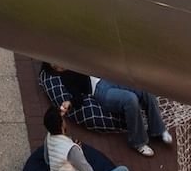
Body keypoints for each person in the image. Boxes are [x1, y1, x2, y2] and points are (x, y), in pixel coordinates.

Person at [37, 63, 172, 157]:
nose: (60, 66)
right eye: (55, 67)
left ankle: (158, 130)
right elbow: (78, 98)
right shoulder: (67, 77)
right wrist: (69, 103)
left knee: (144, 89)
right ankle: (137, 142)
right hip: (100, 91)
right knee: (130, 99)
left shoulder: (75, 58)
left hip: (109, 77)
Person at [43, 103, 137, 171]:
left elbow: (47, 160)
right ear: (61, 124)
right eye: (63, 119)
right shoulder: (71, 150)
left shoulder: (49, 137)